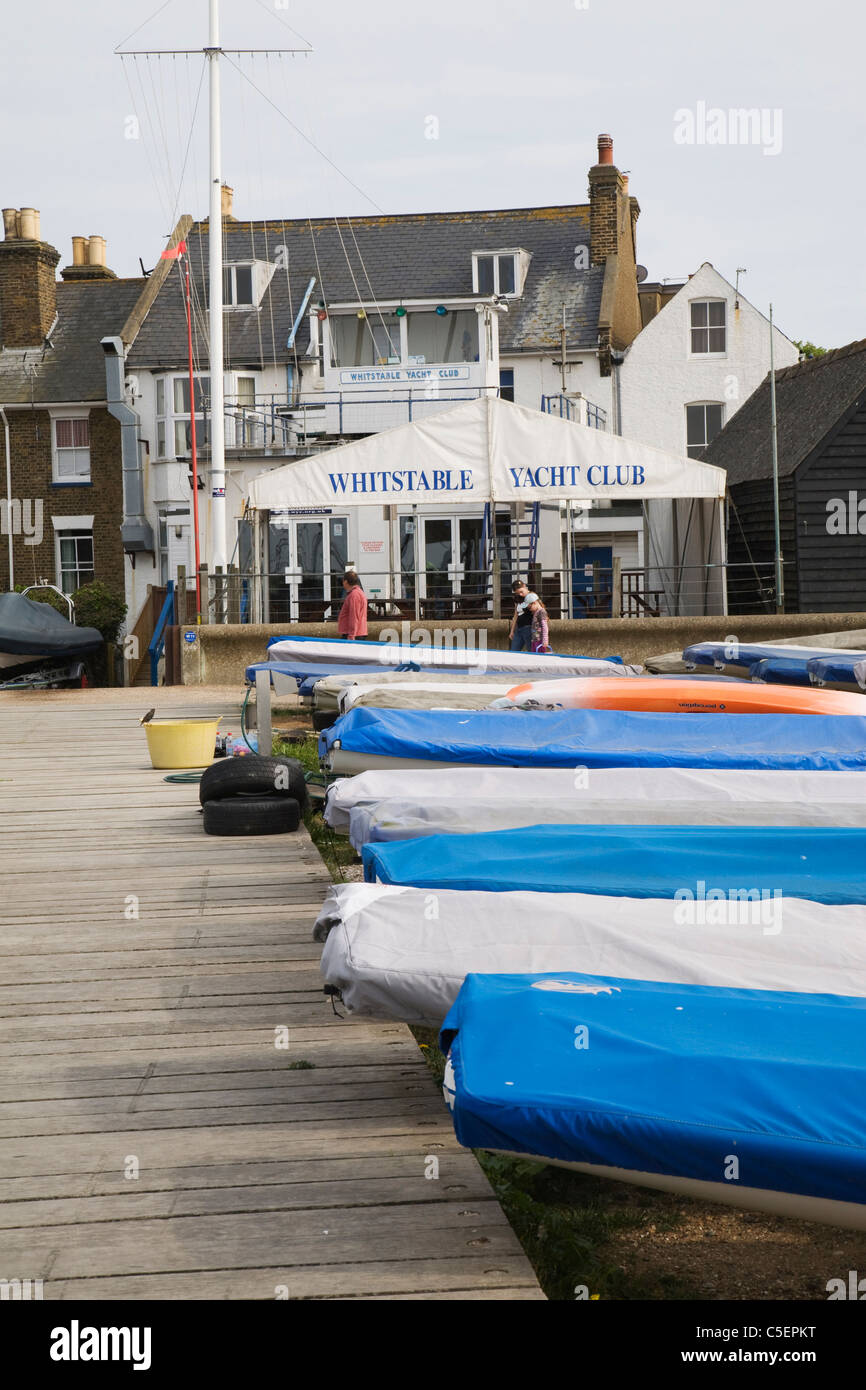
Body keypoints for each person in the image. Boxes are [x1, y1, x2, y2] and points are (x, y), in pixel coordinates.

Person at [337, 571, 368, 640]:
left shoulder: (354, 595)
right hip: (358, 632)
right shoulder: (358, 593)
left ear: (345, 582)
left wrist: (351, 635)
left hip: (354, 634)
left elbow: (354, 616)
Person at [509, 579, 538, 653]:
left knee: (531, 651)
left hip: (529, 628)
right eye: (518, 593)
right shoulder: (517, 598)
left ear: (525, 586)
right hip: (518, 628)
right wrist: (512, 630)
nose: (520, 594)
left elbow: (538, 612)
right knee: (513, 652)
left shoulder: (532, 596)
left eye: (521, 592)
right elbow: (516, 614)